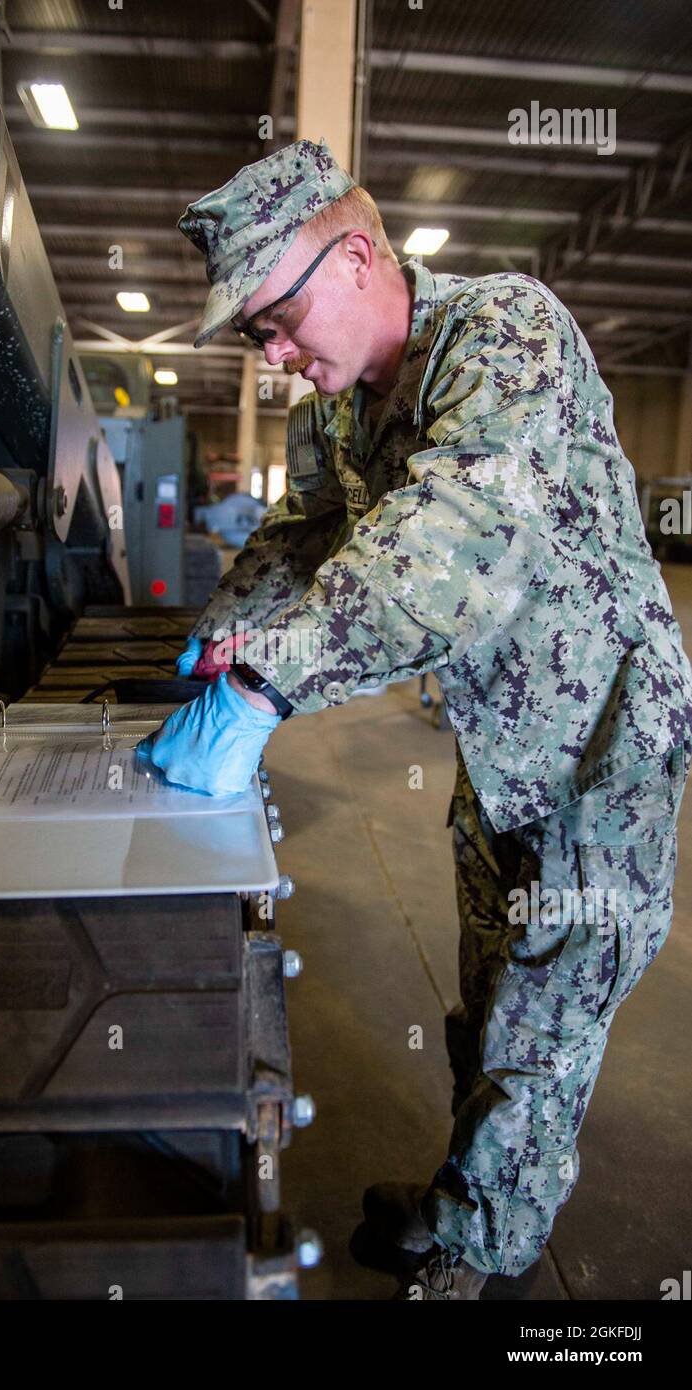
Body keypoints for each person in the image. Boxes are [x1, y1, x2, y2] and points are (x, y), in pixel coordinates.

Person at [137, 139, 692, 1300]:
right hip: (500, 748)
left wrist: (264, 690)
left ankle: (481, 1265)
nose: (277, 357)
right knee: (490, 995)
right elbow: (305, 535)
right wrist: (219, 641)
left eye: (278, 321)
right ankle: (470, 1201)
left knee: (541, 1027)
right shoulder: (340, 416)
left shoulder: (505, 334)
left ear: (355, 256)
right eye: (254, 340)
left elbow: (455, 541)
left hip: (602, 749)